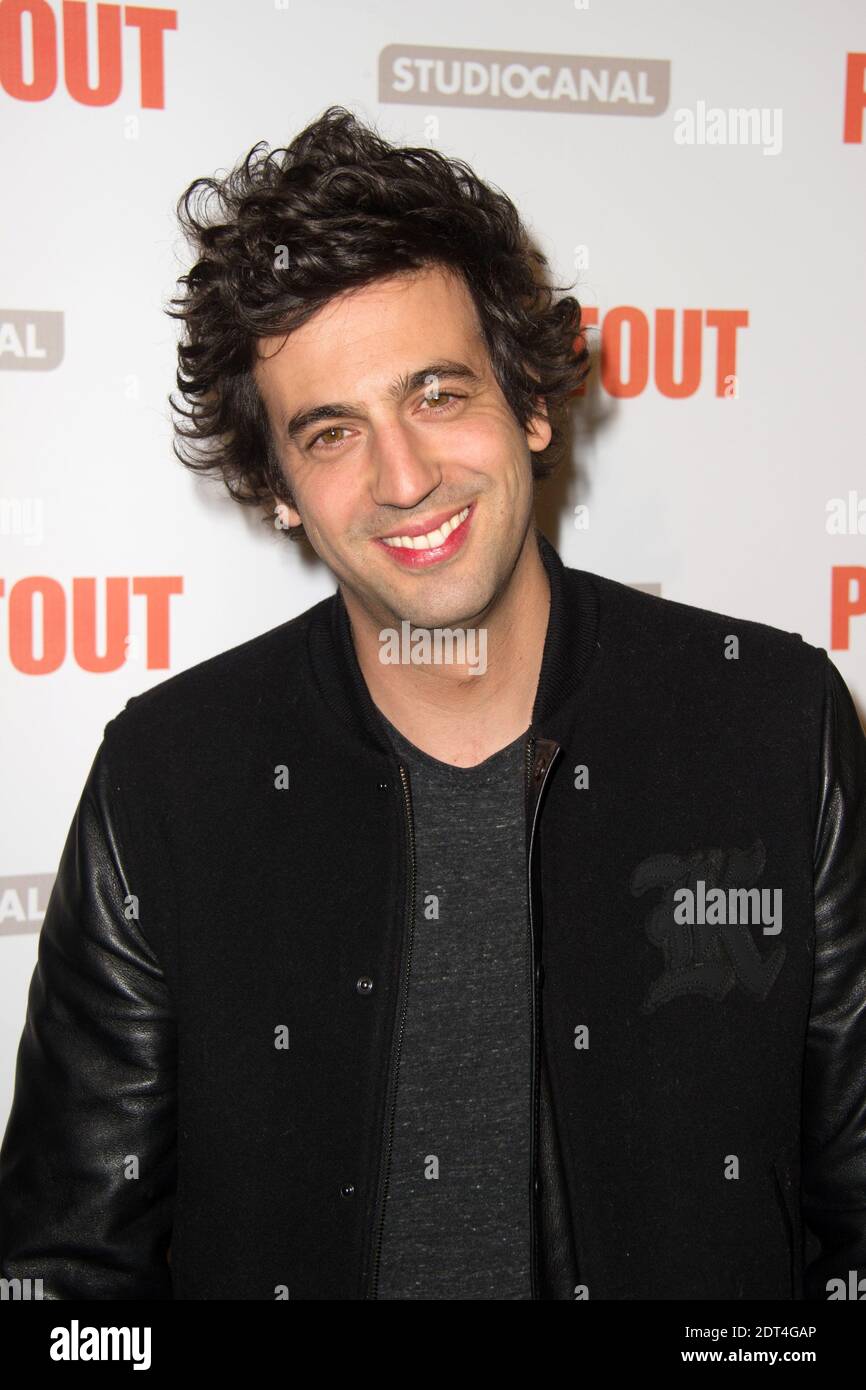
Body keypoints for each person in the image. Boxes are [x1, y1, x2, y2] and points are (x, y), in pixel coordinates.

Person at [1, 106, 864, 1301]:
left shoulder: (769, 722)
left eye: (438, 394)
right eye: (331, 433)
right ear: (277, 489)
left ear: (529, 403)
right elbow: (64, 1277)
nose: (402, 478)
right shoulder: (171, 778)